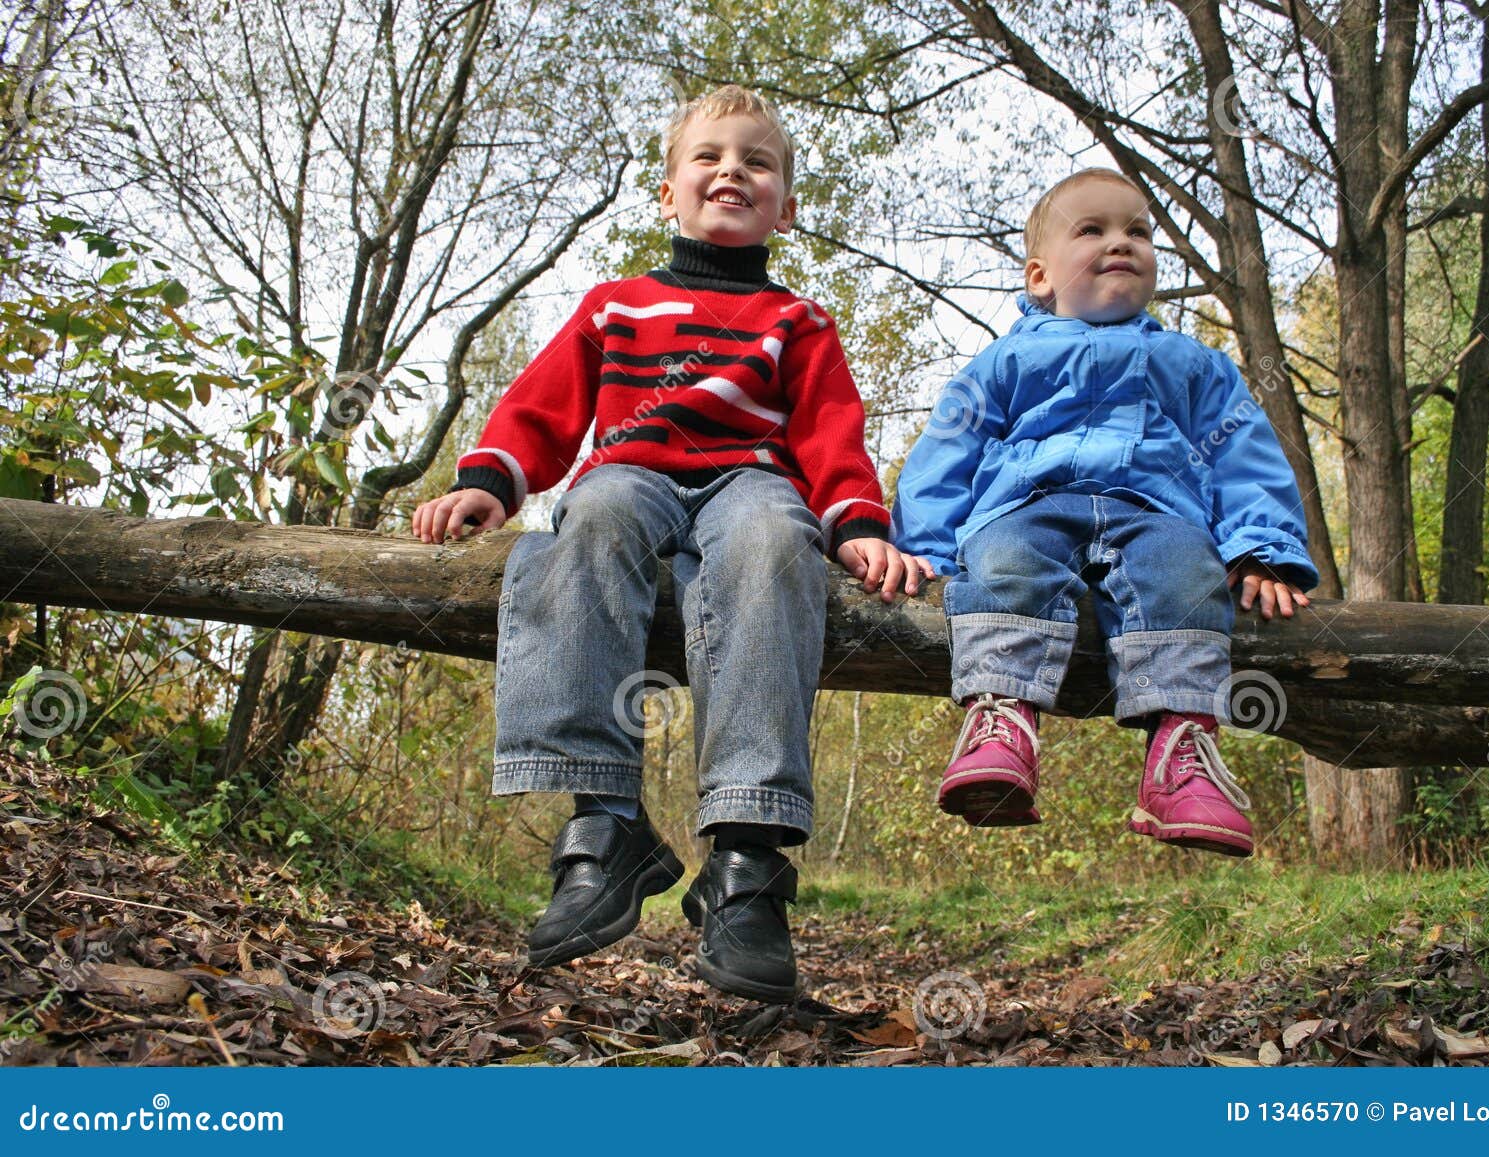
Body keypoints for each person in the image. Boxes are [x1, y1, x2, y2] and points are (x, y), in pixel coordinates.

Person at [412, 85, 929, 1001]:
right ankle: (605, 826)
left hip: (752, 480)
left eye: (757, 162)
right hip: (631, 470)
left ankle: (747, 861)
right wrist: (489, 481)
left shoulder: (797, 322)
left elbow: (830, 435)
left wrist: (856, 526)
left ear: (786, 205)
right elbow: (542, 406)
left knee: (776, 542)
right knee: (589, 517)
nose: (732, 171)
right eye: (710, 157)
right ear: (668, 192)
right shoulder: (617, 305)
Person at [890, 168, 1317, 856]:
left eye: (1137, 231)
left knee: (1186, 574)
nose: (1120, 242)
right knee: (1003, 560)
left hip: (1158, 511)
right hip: (1028, 503)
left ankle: (1183, 754)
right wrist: (925, 549)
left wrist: (1262, 548)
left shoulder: (1190, 363)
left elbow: (1244, 449)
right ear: (1039, 277)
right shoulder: (1007, 361)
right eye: (1092, 230)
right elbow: (949, 445)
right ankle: (1000, 722)